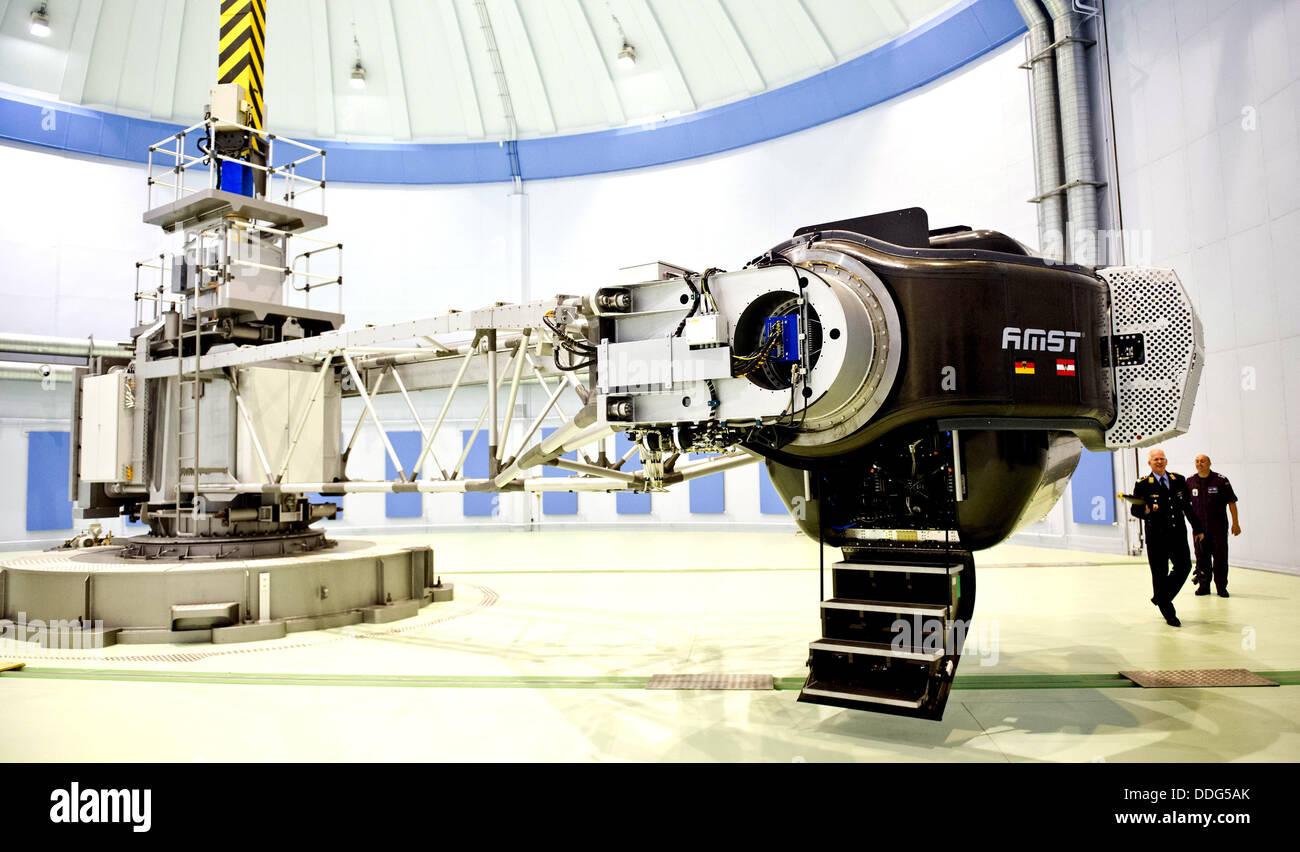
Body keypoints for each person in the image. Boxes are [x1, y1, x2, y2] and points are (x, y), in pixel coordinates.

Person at [1130, 447, 1204, 627]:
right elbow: (1135, 509)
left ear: (1166, 461)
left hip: (1177, 534)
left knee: (1185, 566)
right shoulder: (1143, 484)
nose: (1159, 462)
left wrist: (1197, 528)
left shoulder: (1178, 480)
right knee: (1159, 573)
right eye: (1155, 459)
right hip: (1156, 537)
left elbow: (1187, 506)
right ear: (1149, 463)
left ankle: (1161, 598)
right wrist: (1146, 511)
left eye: (1162, 459)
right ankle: (1169, 612)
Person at [1186, 454, 1240, 598]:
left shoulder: (1221, 480)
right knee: (1201, 558)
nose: (1199, 464)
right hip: (1199, 529)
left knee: (1220, 558)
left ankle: (1221, 587)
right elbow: (1185, 506)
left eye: (1203, 461)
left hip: (1218, 528)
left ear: (1209, 463)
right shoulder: (1190, 481)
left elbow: (1231, 502)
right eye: (1197, 461)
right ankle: (1204, 586)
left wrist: (1236, 523)